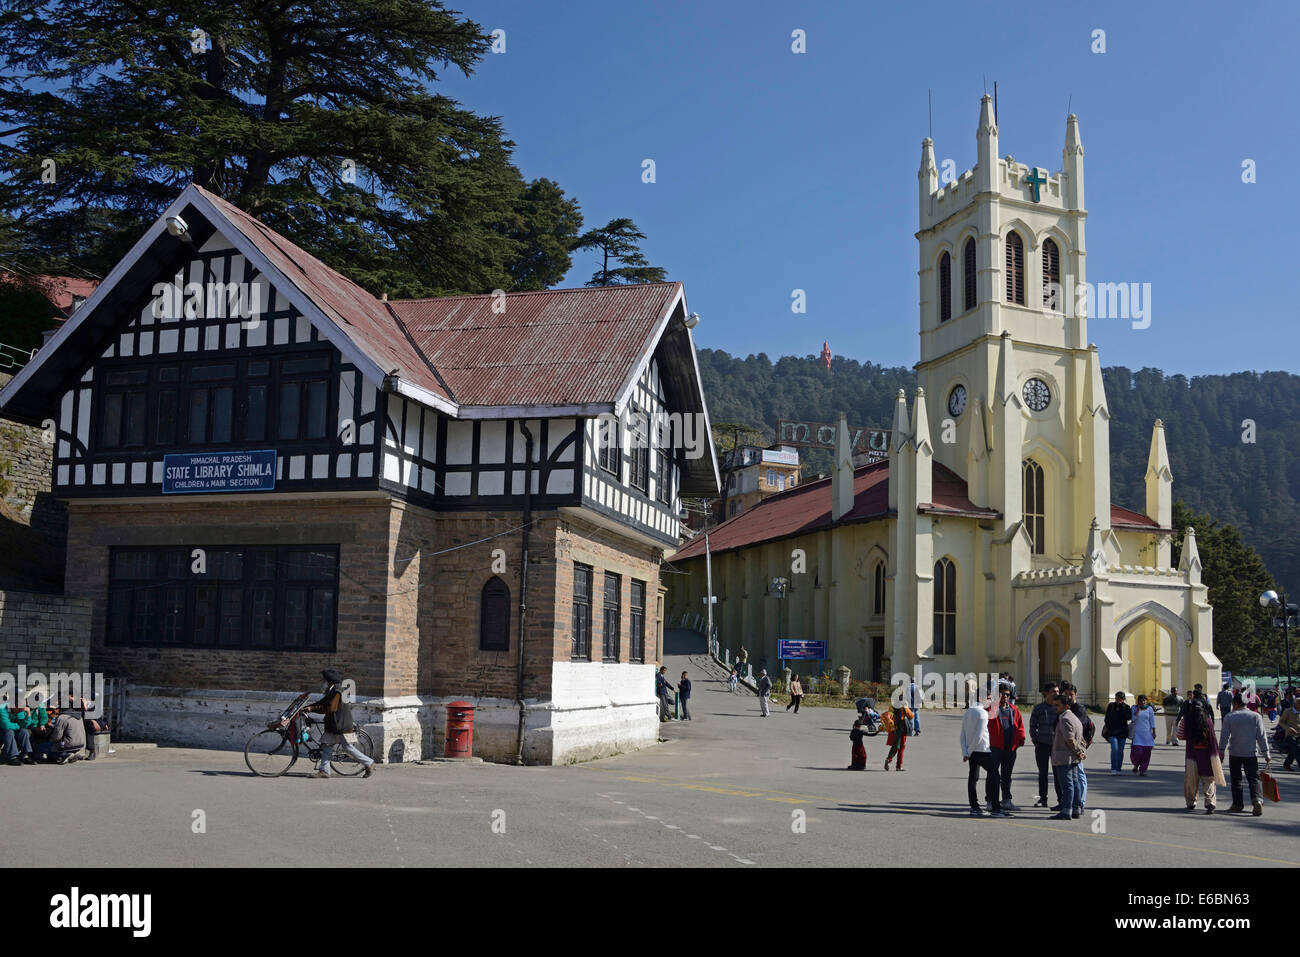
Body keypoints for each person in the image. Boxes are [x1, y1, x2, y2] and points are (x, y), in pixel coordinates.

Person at [301, 669, 375, 779]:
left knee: (348, 747)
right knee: (327, 746)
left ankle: (369, 763)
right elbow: (322, 702)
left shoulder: (336, 690)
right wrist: (308, 707)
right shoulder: (332, 690)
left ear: (329, 681)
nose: (324, 682)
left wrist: (312, 708)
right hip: (334, 725)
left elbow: (331, 708)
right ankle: (324, 771)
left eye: (325, 680)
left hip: (341, 725)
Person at [1219, 693, 1270, 816]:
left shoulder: (1230, 716)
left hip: (1235, 752)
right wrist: (1266, 753)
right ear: (1246, 703)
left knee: (1236, 779)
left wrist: (1221, 751)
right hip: (1251, 753)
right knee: (1253, 778)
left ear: (1235, 704)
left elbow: (1224, 736)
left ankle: (1237, 804)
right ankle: (1257, 800)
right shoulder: (1256, 716)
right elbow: (1261, 736)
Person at [961, 688, 1000, 816]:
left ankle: (974, 806)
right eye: (988, 698)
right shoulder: (982, 713)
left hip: (972, 751)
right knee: (995, 775)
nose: (990, 700)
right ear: (980, 698)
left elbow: (963, 735)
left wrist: (966, 752)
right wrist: (970, 751)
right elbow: (978, 736)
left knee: (973, 778)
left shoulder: (968, 712)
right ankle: (995, 807)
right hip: (982, 749)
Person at [1179, 696, 1222, 813]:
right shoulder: (1208, 721)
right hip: (1206, 755)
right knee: (1208, 780)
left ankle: (1191, 802)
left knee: (1191, 780)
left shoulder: (1186, 720)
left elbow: (1180, 735)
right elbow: (1213, 738)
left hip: (1192, 754)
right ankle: (1210, 803)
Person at [988, 683, 1025, 810]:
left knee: (1007, 776)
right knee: (993, 775)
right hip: (995, 747)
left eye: (1007, 694)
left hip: (1010, 748)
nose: (1004, 696)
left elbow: (1019, 726)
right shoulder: (992, 708)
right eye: (1002, 694)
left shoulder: (1014, 710)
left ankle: (1006, 800)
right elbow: (986, 725)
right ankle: (991, 801)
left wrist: (1021, 739)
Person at [1049, 693, 1086, 820]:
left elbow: (1069, 739)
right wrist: (1081, 750)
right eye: (1054, 705)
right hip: (1073, 757)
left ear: (1066, 706)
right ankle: (1076, 808)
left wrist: (1078, 751)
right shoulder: (1075, 718)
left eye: (1058, 705)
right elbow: (1081, 738)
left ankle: (1066, 811)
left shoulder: (1064, 718)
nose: (1055, 708)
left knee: (1067, 784)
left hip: (1065, 757)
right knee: (1075, 783)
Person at [1058, 682, 1093, 809]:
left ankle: (1079, 803)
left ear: (1075, 695)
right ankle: (1068, 802)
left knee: (1078, 775)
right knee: (1072, 777)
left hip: (1076, 747)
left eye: (1071, 695)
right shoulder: (1064, 708)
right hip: (1068, 748)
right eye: (1066, 694)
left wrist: (1079, 750)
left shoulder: (1079, 709)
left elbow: (1077, 729)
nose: (1068, 696)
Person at [1029, 683, 1062, 808]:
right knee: (1043, 773)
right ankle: (1043, 798)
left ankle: (1061, 800)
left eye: (1058, 691)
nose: (1056, 694)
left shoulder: (1059, 708)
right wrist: (1035, 739)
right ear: (1046, 693)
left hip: (1056, 746)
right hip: (1042, 745)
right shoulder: (1039, 709)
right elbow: (1033, 726)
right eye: (1054, 691)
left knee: (1058, 773)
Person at [1103, 692, 1132, 774]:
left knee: (1120, 751)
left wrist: (1122, 708)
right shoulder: (1111, 706)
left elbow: (1129, 717)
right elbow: (1106, 718)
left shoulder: (1126, 707)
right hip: (1112, 732)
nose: (1118, 700)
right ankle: (1113, 768)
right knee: (1115, 749)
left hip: (1122, 732)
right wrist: (1109, 727)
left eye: (1120, 699)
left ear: (1123, 699)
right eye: (1116, 698)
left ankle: (1118, 768)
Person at [1129, 694, 1157, 775]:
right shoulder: (1134, 708)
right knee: (1138, 752)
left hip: (1147, 734)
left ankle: (1143, 770)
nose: (1143, 702)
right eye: (1141, 700)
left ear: (1146, 701)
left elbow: (1152, 720)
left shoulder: (1149, 709)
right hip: (1137, 734)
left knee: (1146, 753)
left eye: (1144, 700)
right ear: (1138, 701)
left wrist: (1154, 731)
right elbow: (1133, 719)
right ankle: (1136, 764)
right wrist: (1137, 711)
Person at [884, 700, 913, 771]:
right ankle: (898, 766)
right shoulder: (903, 707)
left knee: (895, 746)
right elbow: (911, 716)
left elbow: (888, 716)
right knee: (901, 747)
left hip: (894, 729)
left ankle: (889, 759)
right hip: (902, 730)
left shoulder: (892, 707)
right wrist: (906, 707)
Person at [1278, 698, 1300, 771]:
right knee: (1297, 750)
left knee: (1293, 751)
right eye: (1299, 702)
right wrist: (1289, 728)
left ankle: (1287, 764)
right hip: (1290, 735)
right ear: (1295, 703)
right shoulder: (1288, 711)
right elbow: (1281, 722)